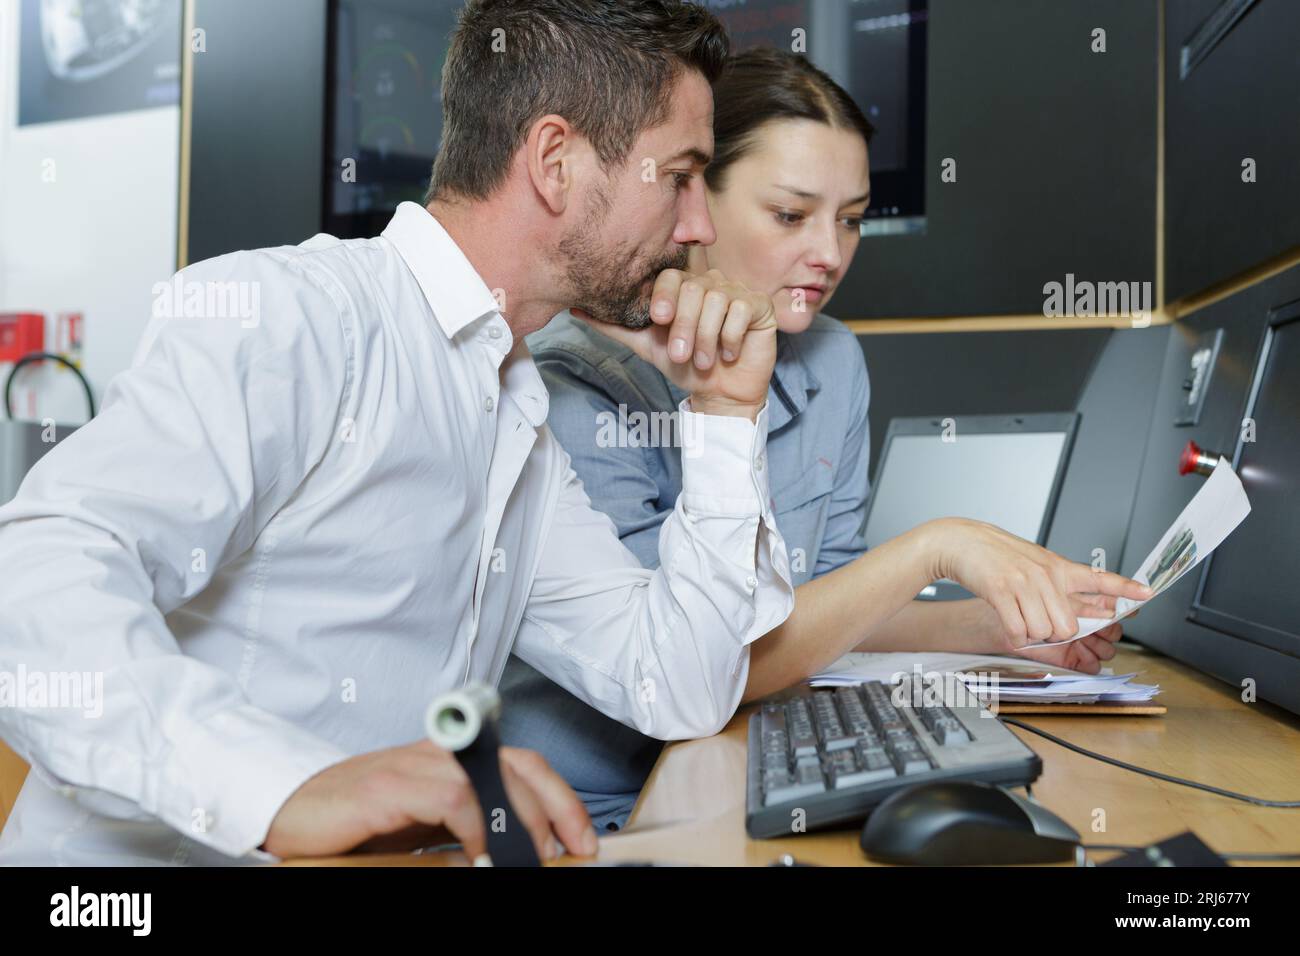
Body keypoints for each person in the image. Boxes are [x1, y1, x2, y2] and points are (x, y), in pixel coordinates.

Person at [0, 0, 800, 865]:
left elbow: (676, 683)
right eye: (679, 176)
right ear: (556, 161)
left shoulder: (517, 417)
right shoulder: (296, 317)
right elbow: (34, 579)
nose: (701, 228)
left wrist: (724, 414)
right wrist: (280, 788)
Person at [498, 48, 1150, 832]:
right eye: (790, 215)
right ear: (693, 199)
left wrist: (1007, 633)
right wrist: (935, 548)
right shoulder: (575, 379)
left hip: (740, 763)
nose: (830, 253)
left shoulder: (831, 360)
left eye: (850, 220)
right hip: (594, 812)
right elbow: (701, 666)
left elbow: (830, 612)